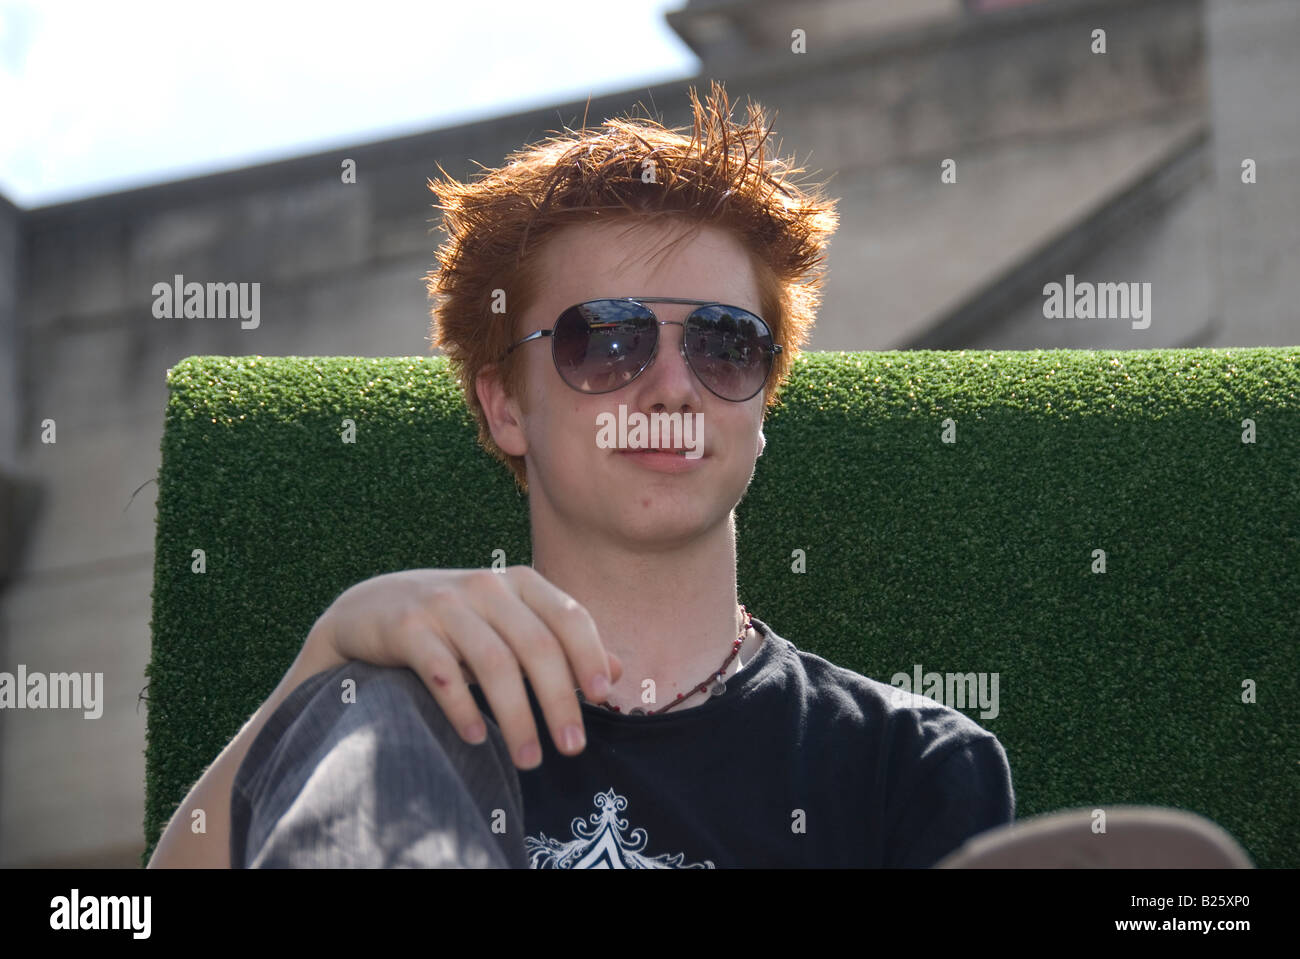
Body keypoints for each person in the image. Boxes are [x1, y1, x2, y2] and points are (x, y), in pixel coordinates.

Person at [148, 80, 1014, 869]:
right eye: (606, 340)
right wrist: (326, 658)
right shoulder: (399, 715)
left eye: (725, 344)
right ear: (505, 407)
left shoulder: (911, 764)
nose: (673, 386)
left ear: (762, 407)